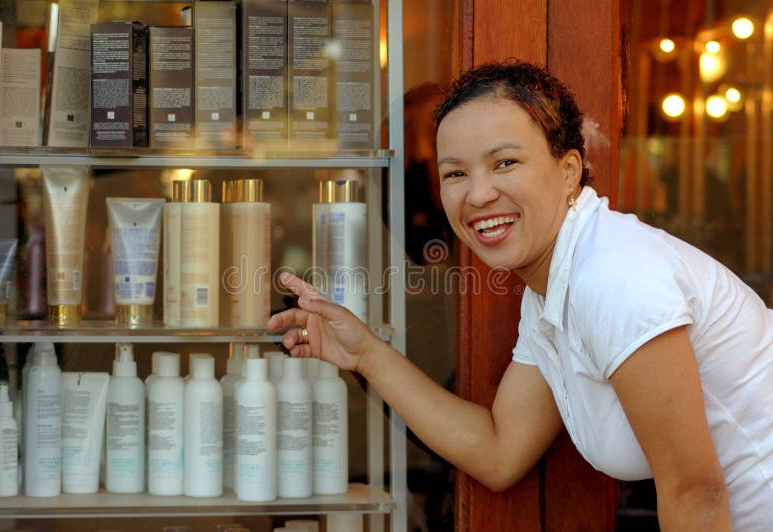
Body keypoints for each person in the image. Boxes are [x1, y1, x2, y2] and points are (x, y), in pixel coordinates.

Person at [267, 60, 773, 531]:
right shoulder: (553, 287)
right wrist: (365, 353)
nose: (479, 194)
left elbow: (696, 493)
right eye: (455, 173)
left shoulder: (613, 276)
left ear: (570, 169)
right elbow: (499, 450)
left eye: (505, 162)